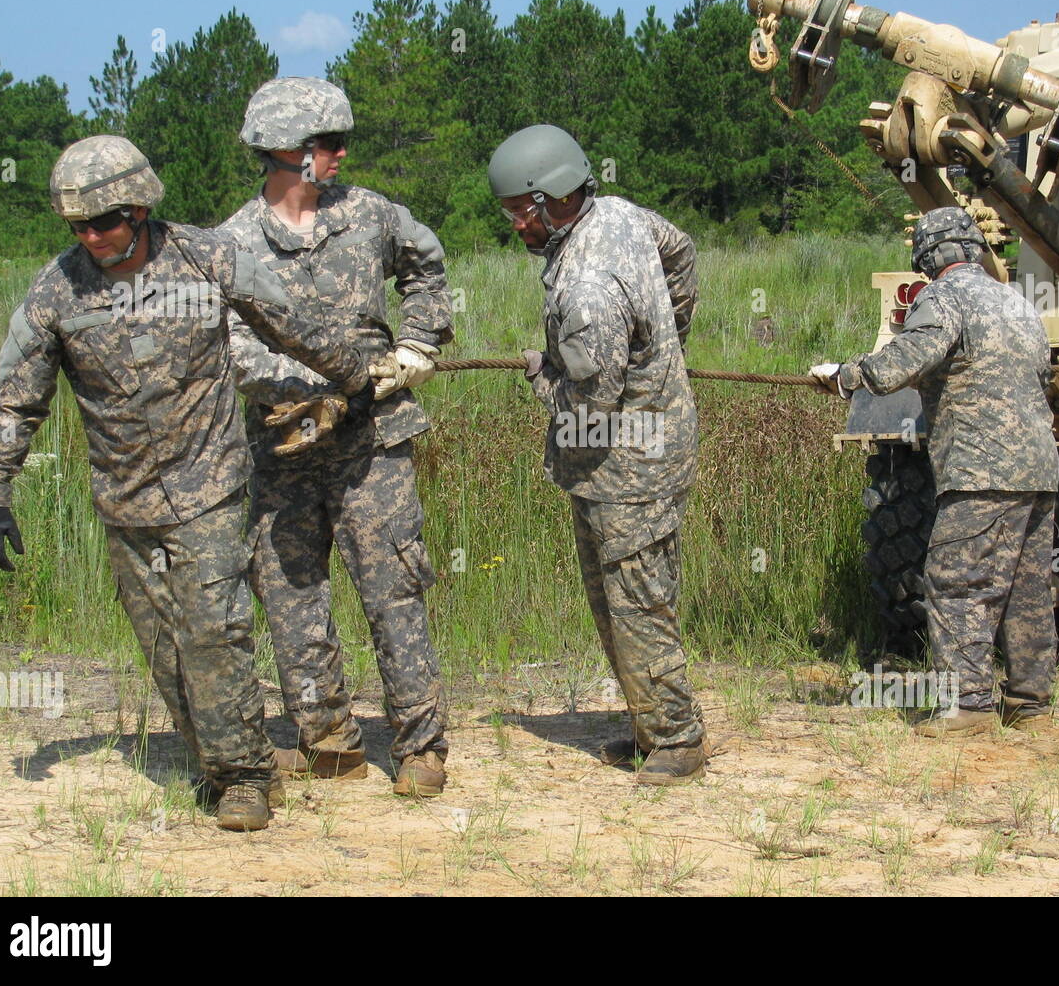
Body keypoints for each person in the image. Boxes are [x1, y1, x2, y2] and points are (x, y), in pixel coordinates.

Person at [0, 135, 371, 829]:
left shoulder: (206, 257)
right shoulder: (56, 290)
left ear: (140, 207)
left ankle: (244, 779)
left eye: (106, 222)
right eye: (79, 226)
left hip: (207, 485)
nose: (93, 236)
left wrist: (357, 375)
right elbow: (16, 397)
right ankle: (223, 757)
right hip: (124, 498)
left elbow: (290, 321)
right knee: (166, 649)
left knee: (214, 632)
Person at [220, 77, 454, 796]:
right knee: (290, 592)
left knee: (393, 586)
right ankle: (328, 740)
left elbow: (427, 266)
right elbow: (229, 338)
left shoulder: (371, 214)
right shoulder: (231, 241)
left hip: (372, 441)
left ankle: (420, 744)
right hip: (283, 446)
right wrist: (299, 385)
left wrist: (417, 342)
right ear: (286, 152)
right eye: (327, 142)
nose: (341, 152)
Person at [488, 124, 707, 784]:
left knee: (637, 603)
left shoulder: (586, 287)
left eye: (516, 214)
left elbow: (589, 405)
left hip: (629, 467)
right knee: (617, 599)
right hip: (636, 451)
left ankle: (676, 741)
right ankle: (649, 725)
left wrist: (541, 376)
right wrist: (665, 339)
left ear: (545, 198)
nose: (515, 228)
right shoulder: (619, 213)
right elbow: (683, 252)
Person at [811, 206, 1059, 736]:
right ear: (974, 249)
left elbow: (905, 359)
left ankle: (967, 706)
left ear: (926, 259)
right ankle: (1029, 702)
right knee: (1026, 587)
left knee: (956, 580)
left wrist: (843, 376)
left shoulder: (944, 297)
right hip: (1039, 468)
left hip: (981, 468)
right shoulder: (1017, 302)